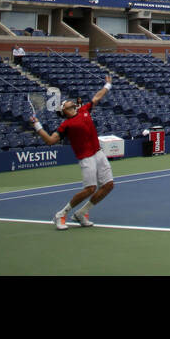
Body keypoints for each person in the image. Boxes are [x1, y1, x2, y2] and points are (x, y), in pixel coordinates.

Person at [29, 76, 114, 229]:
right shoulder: (66, 125)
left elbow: (97, 97)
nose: (70, 101)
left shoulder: (84, 110)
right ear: (64, 109)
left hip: (98, 153)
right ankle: (61, 214)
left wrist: (107, 85)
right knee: (90, 189)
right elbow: (50, 140)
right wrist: (37, 125)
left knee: (108, 185)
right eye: (66, 102)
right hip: (86, 158)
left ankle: (81, 213)